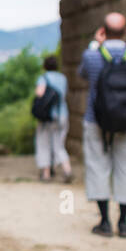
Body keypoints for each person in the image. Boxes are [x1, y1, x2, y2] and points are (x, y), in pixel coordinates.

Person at [78, 12, 126, 238]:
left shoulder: (91, 55)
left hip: (96, 120)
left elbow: (82, 74)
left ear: (103, 31)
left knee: (98, 167)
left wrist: (96, 43)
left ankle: (104, 222)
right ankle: (123, 223)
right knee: (125, 168)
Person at [34, 54, 71, 183]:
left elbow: (39, 93)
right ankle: (67, 170)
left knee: (43, 143)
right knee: (59, 144)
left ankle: (46, 173)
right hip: (62, 114)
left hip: (48, 117)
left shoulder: (43, 78)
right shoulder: (63, 78)